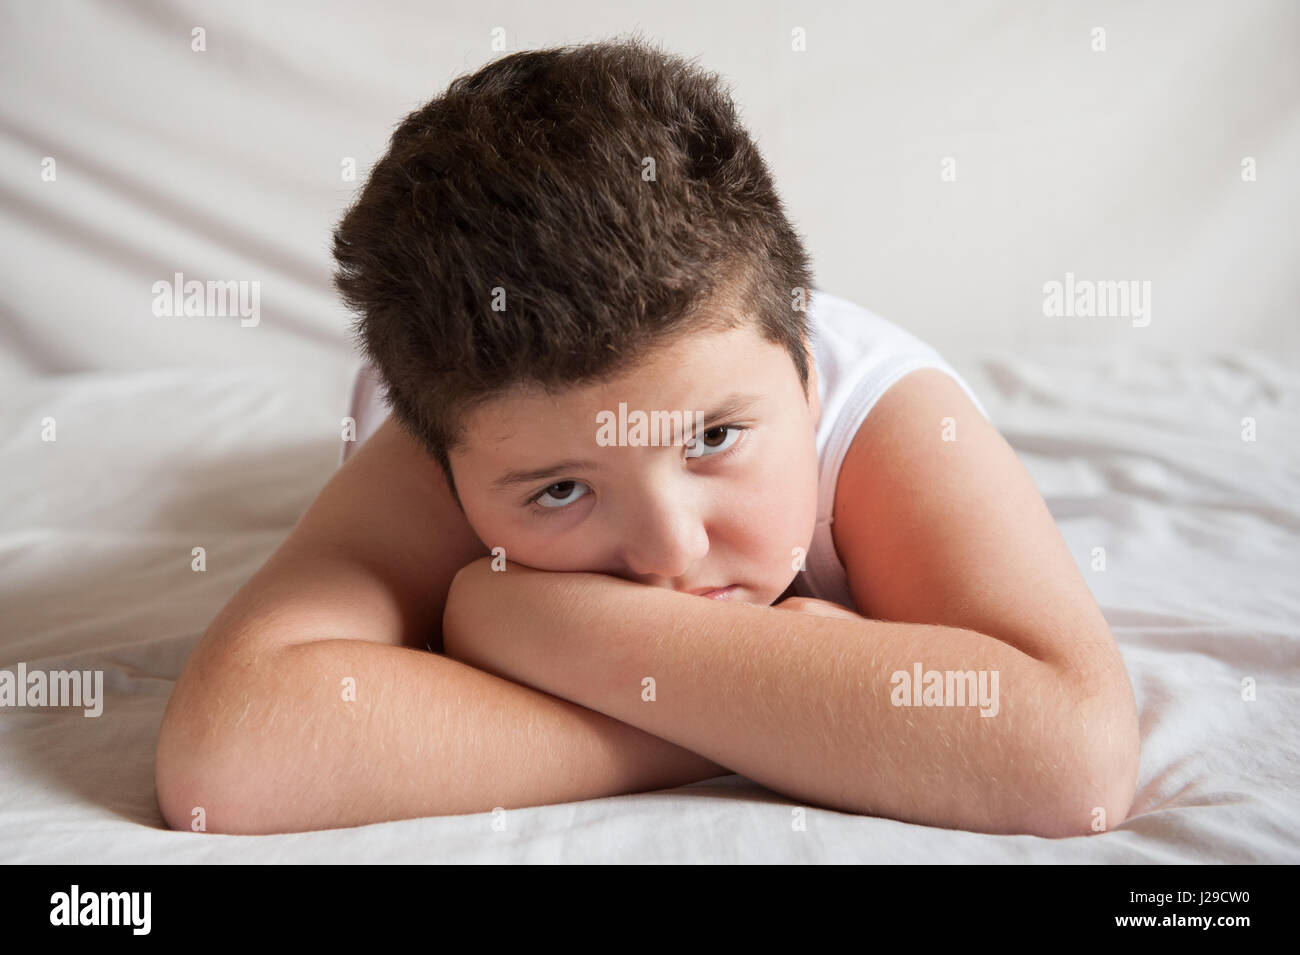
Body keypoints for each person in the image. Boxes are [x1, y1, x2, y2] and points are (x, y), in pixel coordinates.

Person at [156, 37, 1139, 838]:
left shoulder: (872, 406)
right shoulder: (465, 417)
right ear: (450, 481)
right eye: (558, 493)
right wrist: (779, 709)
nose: (670, 549)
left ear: (803, 363)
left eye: (713, 439)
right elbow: (228, 761)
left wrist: (525, 623)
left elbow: (1071, 762)